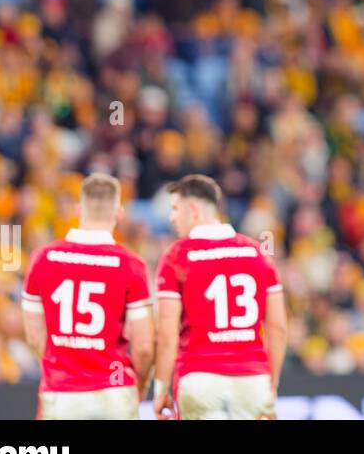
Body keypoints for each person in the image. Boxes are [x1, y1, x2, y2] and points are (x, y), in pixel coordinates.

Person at [153, 174, 287, 419]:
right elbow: (277, 327)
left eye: (175, 208)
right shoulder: (258, 253)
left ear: (193, 210)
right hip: (252, 378)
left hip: (199, 378)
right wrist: (271, 381)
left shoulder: (176, 256)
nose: (172, 217)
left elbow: (166, 334)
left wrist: (160, 387)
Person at [21, 173, 153, 419]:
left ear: (79, 209)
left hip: (61, 390)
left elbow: (35, 334)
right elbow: (144, 347)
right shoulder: (131, 264)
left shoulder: (43, 258)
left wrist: (64, 362)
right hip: (113, 387)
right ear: (119, 212)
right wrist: (140, 384)